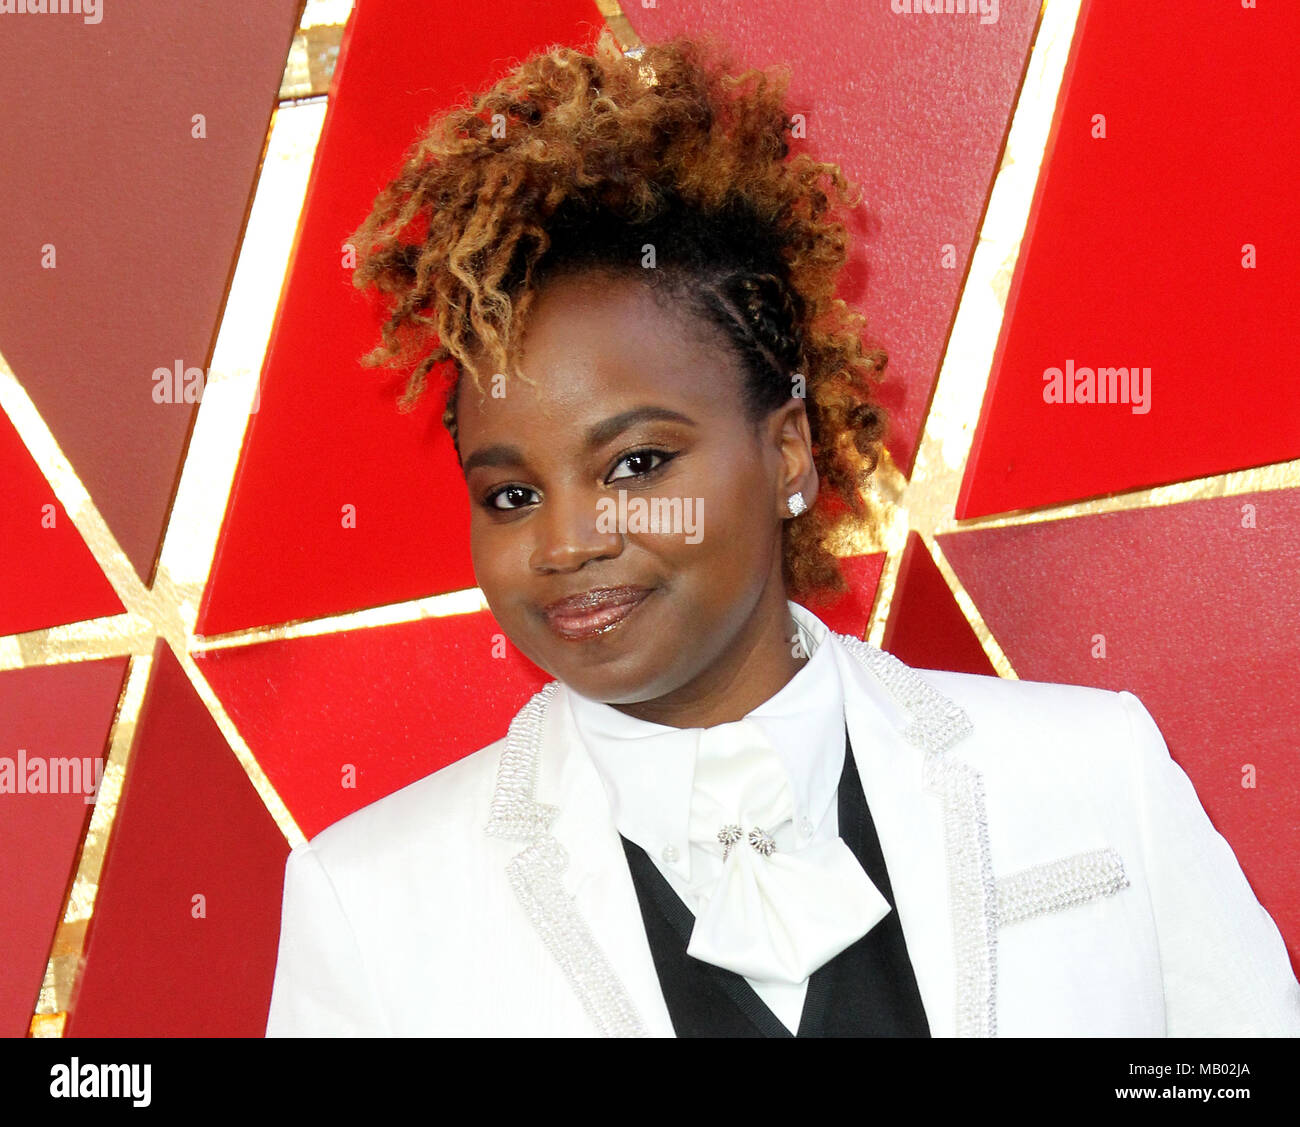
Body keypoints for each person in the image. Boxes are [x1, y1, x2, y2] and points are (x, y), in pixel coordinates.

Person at [265, 30, 1300, 1037]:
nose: (566, 540)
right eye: (510, 495)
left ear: (789, 451)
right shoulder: (371, 903)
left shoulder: (1086, 768)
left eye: (635, 464)